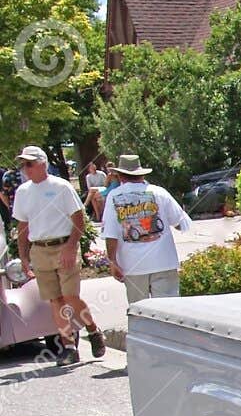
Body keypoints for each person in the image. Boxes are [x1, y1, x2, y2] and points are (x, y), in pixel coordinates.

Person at [12, 145, 105, 363]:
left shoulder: (61, 187)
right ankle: (69, 346)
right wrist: (24, 257)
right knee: (55, 300)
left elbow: (79, 219)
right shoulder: (23, 192)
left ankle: (92, 329)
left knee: (71, 297)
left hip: (64, 245)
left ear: (42, 164)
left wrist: (72, 246)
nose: (26, 169)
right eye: (23, 165)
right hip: (40, 249)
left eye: (29, 164)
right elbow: (22, 227)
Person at [101, 152, 192, 304]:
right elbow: (181, 223)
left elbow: (111, 234)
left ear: (121, 176)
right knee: (169, 310)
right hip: (163, 262)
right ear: (141, 175)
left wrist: (112, 261)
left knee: (140, 311)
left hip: (133, 265)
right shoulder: (159, 192)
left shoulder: (114, 196)